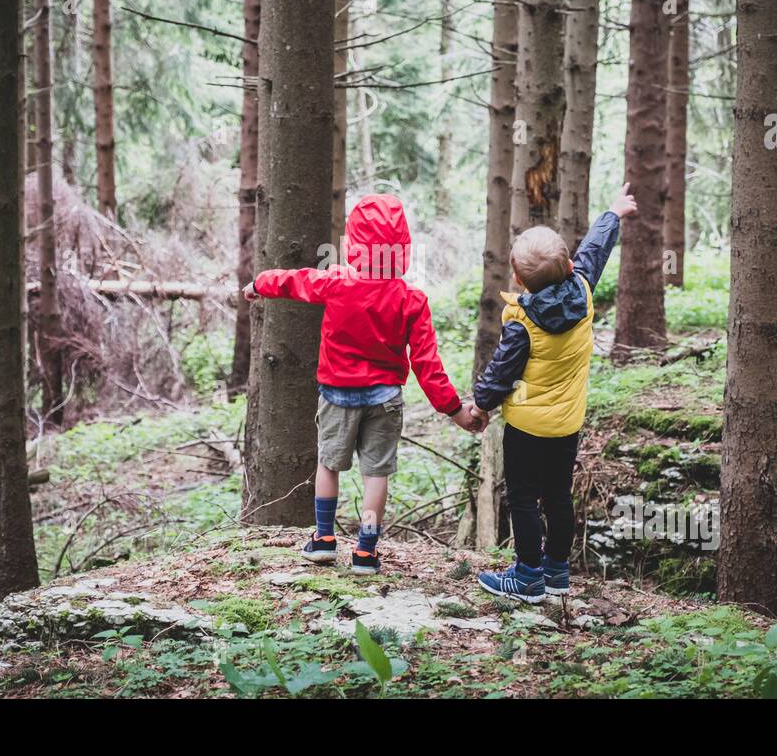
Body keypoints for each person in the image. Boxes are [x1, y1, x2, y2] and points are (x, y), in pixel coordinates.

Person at [243, 194, 482, 575]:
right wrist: (454, 410)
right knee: (376, 474)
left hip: (337, 396)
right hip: (385, 398)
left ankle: (323, 539)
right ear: (401, 247)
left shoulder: (337, 282)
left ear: (353, 242)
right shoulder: (410, 299)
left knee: (328, 464)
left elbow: (296, 281)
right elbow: (426, 364)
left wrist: (260, 282)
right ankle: (366, 551)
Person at [468, 184, 638, 602]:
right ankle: (557, 571)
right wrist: (613, 213)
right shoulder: (582, 289)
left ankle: (528, 576)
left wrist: (479, 405)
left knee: (523, 498)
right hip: (566, 425)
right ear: (567, 265)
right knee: (558, 496)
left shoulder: (522, 320)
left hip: (526, 426)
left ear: (518, 277)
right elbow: (595, 250)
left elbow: (501, 373)